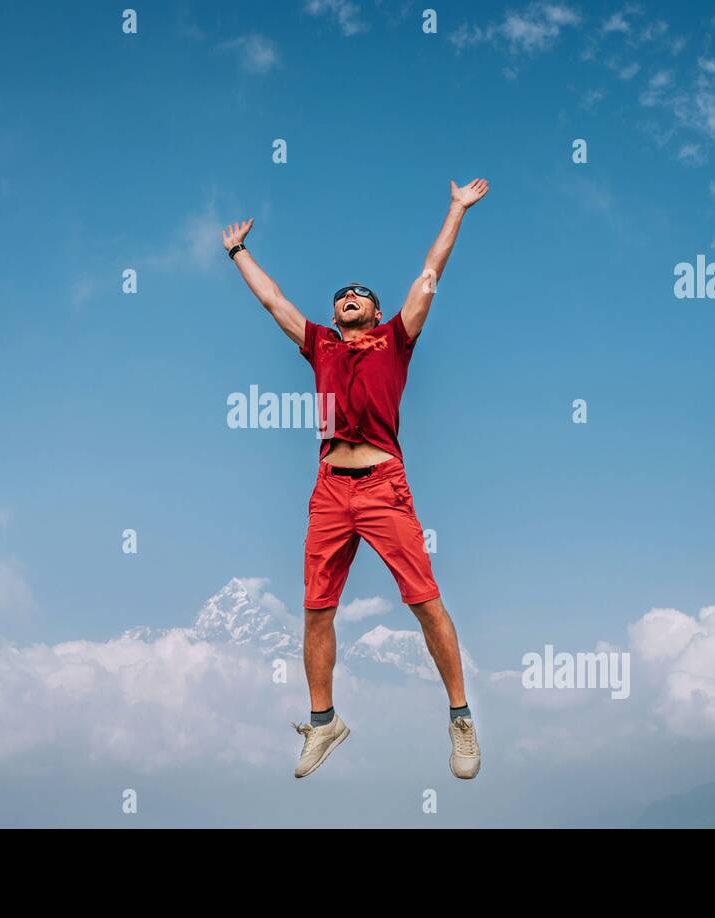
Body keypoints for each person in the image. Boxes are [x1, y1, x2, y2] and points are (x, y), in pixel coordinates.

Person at [221, 179, 490, 779]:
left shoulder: (396, 340)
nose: (347, 297)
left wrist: (455, 209)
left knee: (424, 602)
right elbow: (274, 302)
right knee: (317, 610)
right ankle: (324, 723)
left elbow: (428, 274)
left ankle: (461, 718)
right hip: (329, 492)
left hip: (382, 486)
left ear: (373, 310)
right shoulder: (319, 346)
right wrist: (238, 252)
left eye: (359, 296)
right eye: (340, 295)